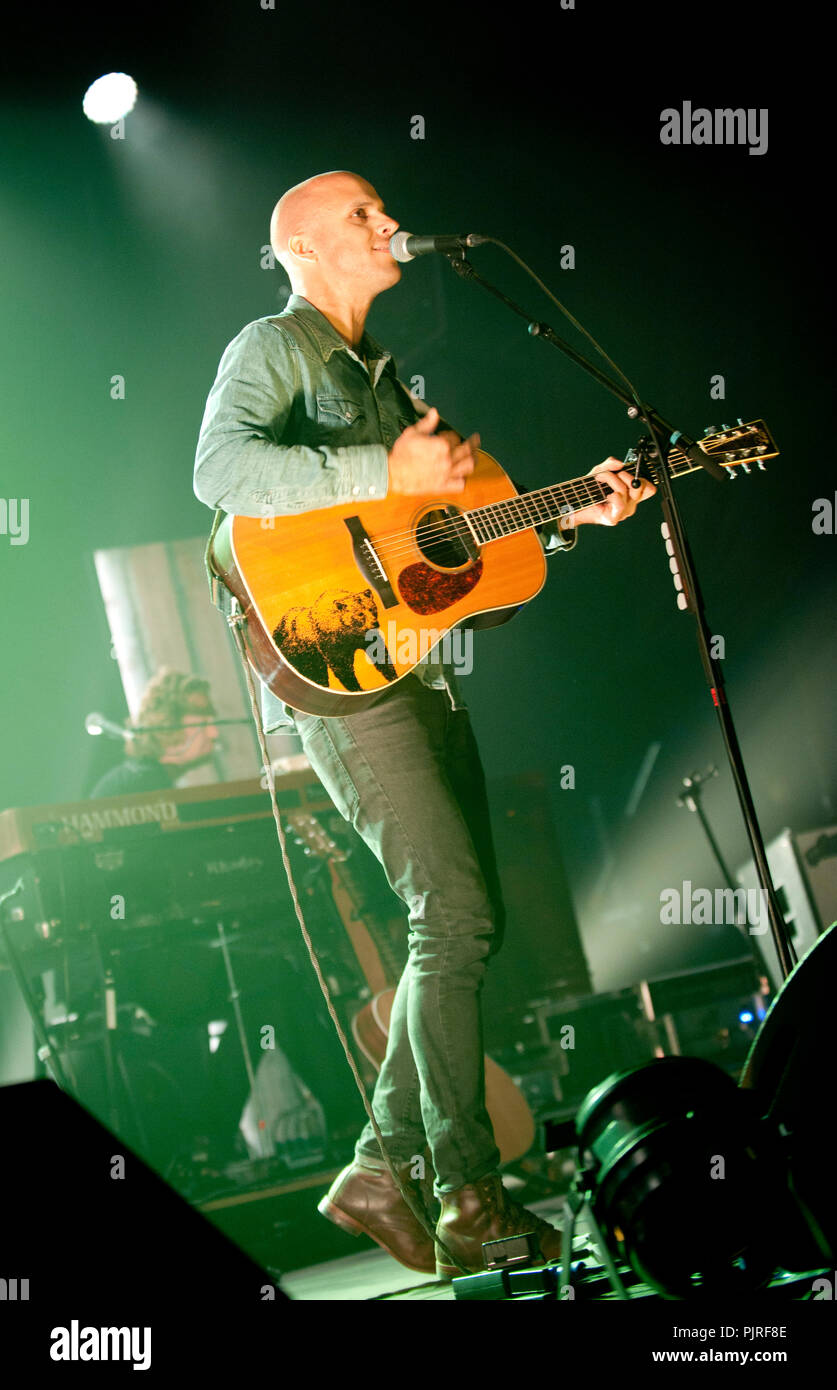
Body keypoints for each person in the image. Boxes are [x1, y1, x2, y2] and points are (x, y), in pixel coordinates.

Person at [194, 170, 656, 1279]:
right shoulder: (274, 345)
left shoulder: (387, 381)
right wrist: (380, 463)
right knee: (450, 911)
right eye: (359, 212)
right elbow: (219, 468)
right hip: (334, 673)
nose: (384, 217)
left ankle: (378, 1163)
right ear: (303, 247)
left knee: (467, 921)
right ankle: (467, 1196)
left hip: (415, 672)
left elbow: (437, 554)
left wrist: (572, 509)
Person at [89, 669, 219, 798]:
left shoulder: (142, 777)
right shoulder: (144, 784)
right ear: (169, 726)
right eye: (204, 723)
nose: (214, 733)